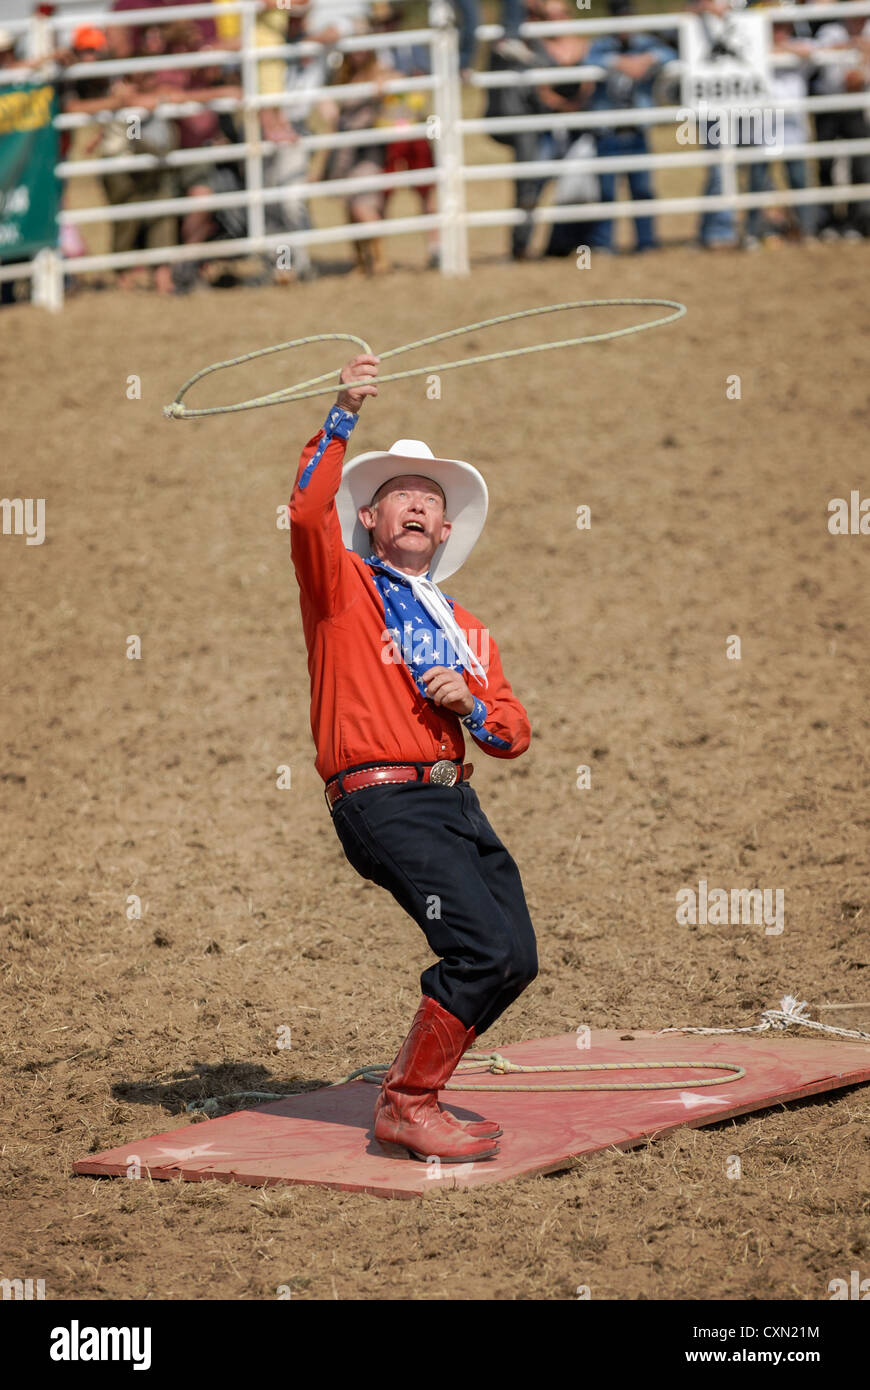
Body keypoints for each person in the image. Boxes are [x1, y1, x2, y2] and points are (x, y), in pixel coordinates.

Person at [289, 354, 538, 1162]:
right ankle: (410, 1100)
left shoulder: (463, 624)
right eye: (400, 496)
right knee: (481, 948)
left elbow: (512, 725)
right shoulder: (341, 586)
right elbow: (303, 513)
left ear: (448, 529)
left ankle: (409, 1091)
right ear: (368, 517)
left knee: (516, 955)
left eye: (432, 503)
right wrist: (342, 412)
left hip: (453, 799)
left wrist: (471, 708)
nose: (419, 508)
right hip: (382, 797)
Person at [583, 0, 676, 253]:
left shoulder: (645, 43)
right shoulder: (601, 45)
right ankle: (603, 245)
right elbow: (587, 59)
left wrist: (648, 58)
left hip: (637, 129)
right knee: (606, 191)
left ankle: (646, 242)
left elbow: (671, 54)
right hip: (608, 131)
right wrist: (617, 62)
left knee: (643, 189)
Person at [321, 48, 393, 274]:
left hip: (368, 148)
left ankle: (379, 259)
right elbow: (333, 120)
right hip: (345, 150)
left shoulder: (379, 72)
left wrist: (385, 84)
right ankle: (361, 260)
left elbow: (400, 80)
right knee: (350, 206)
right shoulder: (340, 76)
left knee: (362, 205)